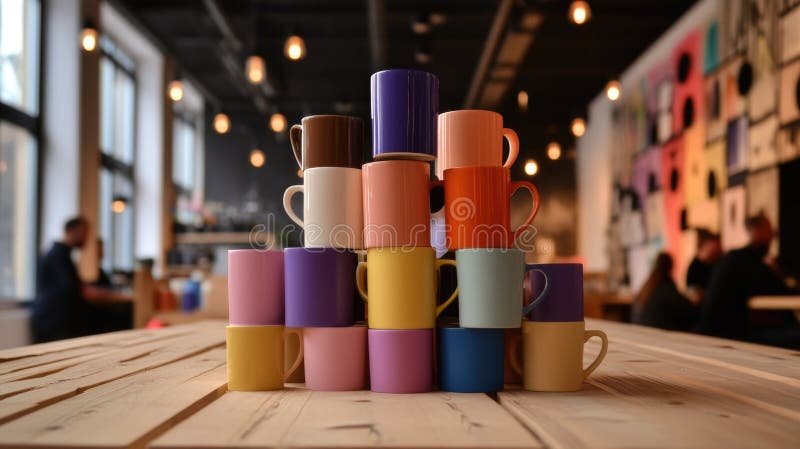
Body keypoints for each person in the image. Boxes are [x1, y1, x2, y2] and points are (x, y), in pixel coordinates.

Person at [696, 212, 795, 343]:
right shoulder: (748, 261)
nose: (773, 235)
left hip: (715, 333)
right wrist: (778, 273)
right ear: (756, 231)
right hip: (728, 337)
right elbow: (776, 290)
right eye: (769, 230)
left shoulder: (735, 257)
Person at [32, 217, 93, 343]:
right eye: (84, 233)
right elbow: (69, 288)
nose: (86, 238)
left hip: (55, 319)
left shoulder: (61, 254)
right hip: (53, 321)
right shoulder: (58, 256)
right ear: (71, 231)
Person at [632, 252, 698, 331]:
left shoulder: (648, 285)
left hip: (643, 332)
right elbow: (686, 311)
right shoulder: (666, 286)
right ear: (671, 267)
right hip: (659, 335)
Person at [685, 229, 722, 305]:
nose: (720, 248)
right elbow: (695, 299)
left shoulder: (715, 262)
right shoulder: (694, 270)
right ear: (705, 245)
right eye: (716, 245)